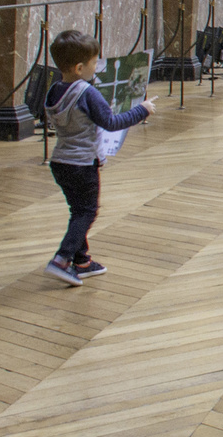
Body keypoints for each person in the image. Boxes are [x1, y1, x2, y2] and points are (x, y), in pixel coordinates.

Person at [42, 31, 156, 286]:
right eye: (94, 63)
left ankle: (82, 261)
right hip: (82, 165)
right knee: (87, 212)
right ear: (79, 68)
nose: (97, 67)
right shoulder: (87, 92)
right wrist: (142, 110)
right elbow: (111, 123)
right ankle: (61, 260)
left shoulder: (53, 90)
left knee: (78, 211)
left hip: (60, 162)